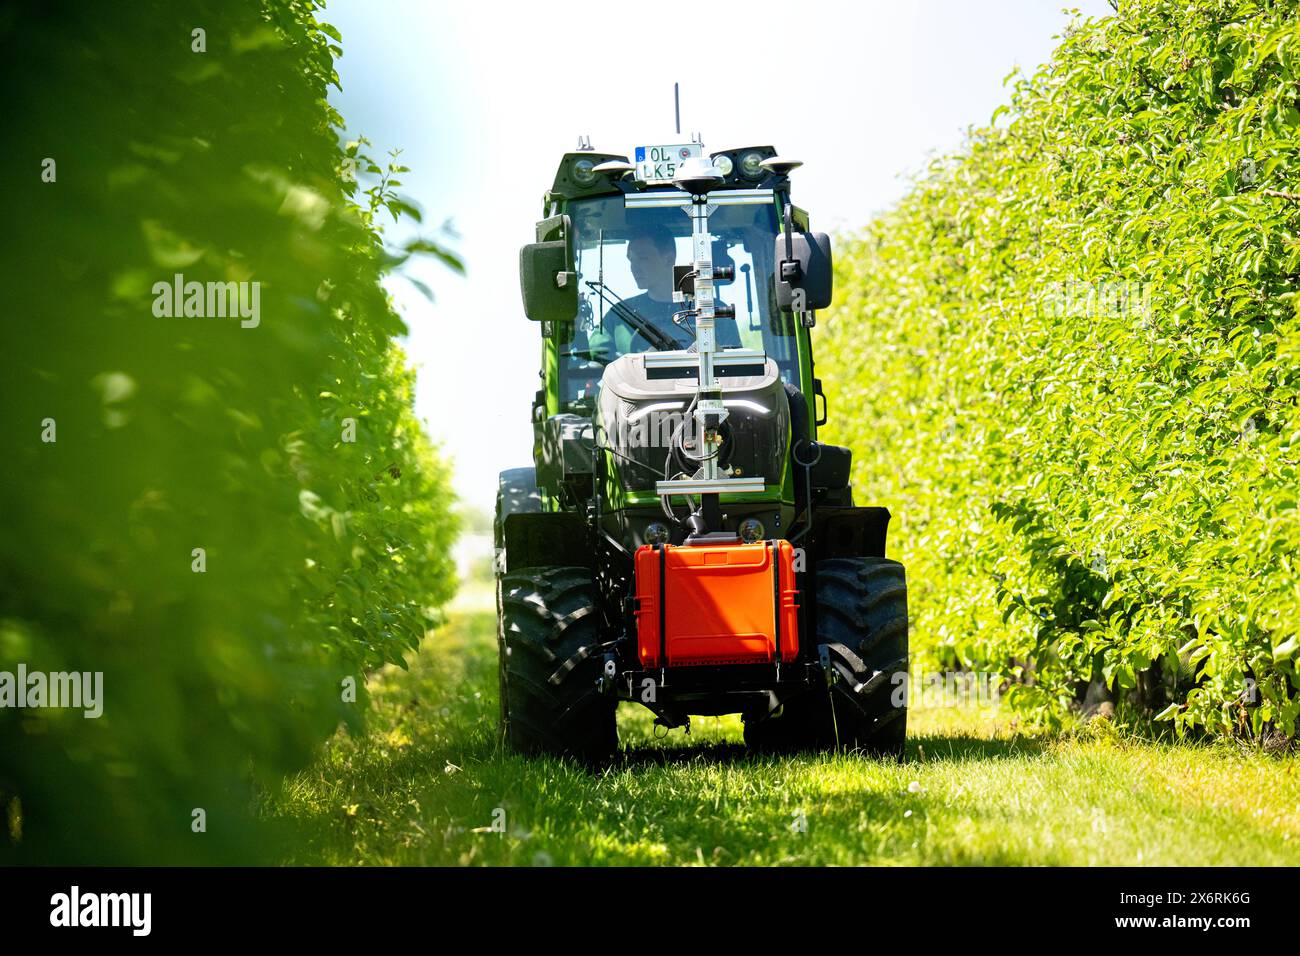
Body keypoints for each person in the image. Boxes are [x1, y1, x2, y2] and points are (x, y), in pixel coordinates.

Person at [590, 226, 742, 357]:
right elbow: (593, 360)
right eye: (631, 260)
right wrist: (635, 364)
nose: (634, 267)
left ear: (669, 259)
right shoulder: (620, 315)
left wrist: (716, 353)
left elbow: (737, 369)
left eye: (643, 259)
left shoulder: (713, 311)